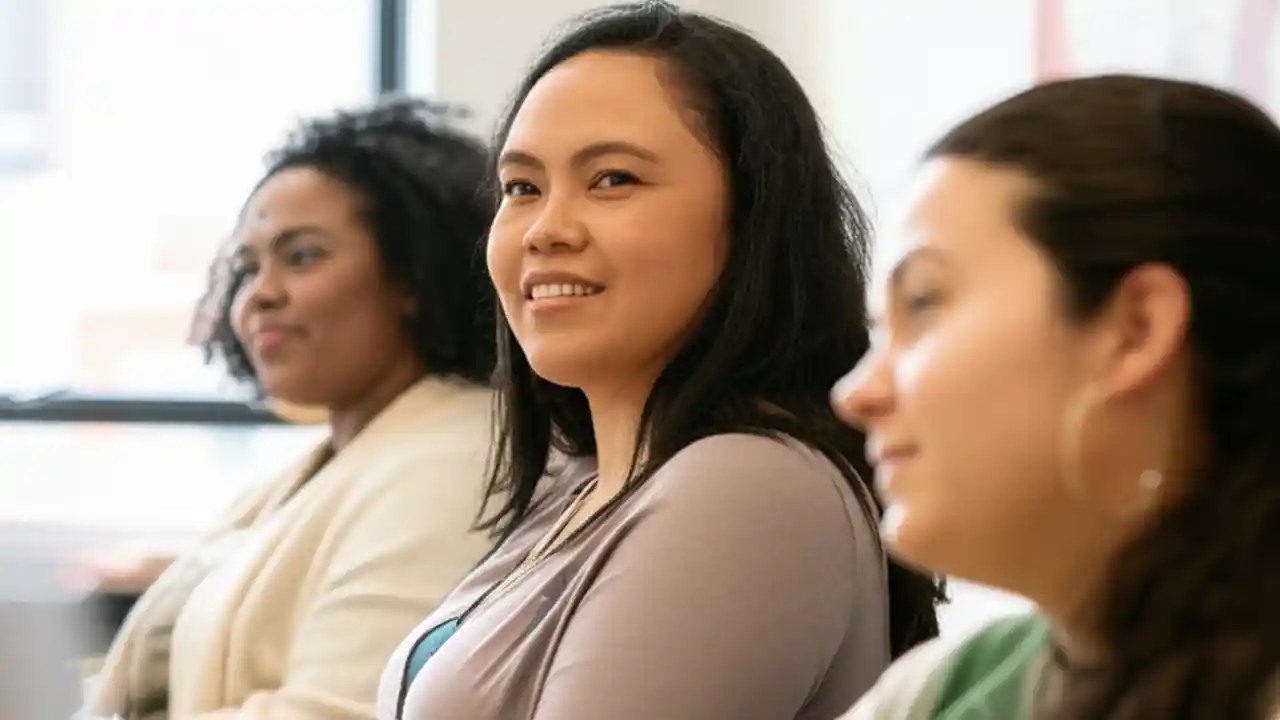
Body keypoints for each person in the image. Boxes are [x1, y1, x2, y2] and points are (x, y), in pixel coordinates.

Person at [378, 4, 941, 719]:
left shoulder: (747, 487)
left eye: (613, 179)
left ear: (753, 219)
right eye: (522, 187)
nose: (546, 229)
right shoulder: (583, 484)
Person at [834, 75, 1280, 719]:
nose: (856, 395)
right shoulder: (940, 692)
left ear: (1136, 330)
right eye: (878, 330)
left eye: (925, 302)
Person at [82, 98, 499, 720]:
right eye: (247, 267)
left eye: (302, 256)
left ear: (415, 276)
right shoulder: (328, 461)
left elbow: (337, 712)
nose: (260, 295)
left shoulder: (454, 462)